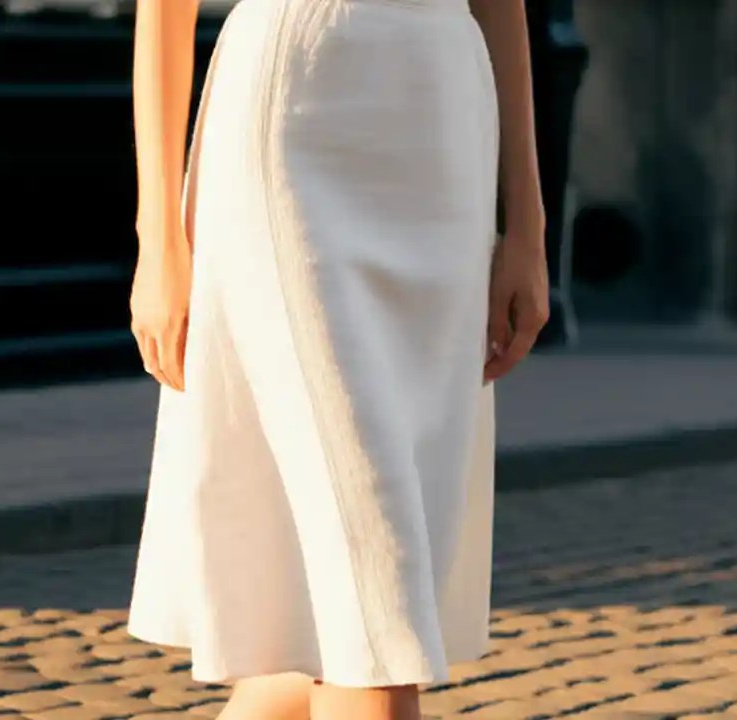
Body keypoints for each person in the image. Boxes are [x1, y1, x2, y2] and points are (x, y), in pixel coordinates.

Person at [126, 0, 548, 717]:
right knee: (375, 608)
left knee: (341, 619)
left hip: (443, 132)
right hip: (294, 119)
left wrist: (528, 224)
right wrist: (159, 236)